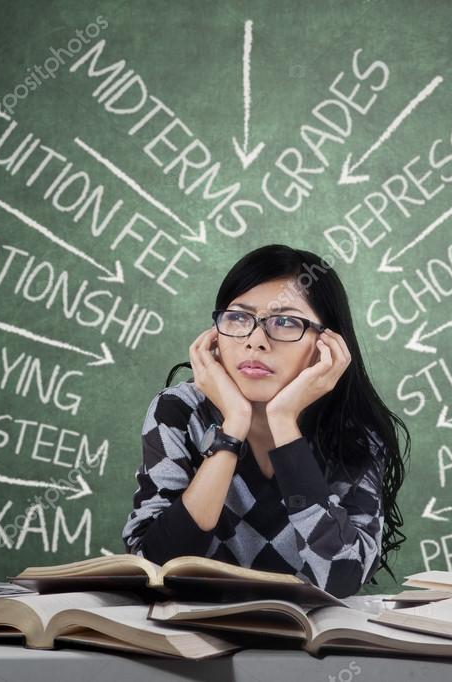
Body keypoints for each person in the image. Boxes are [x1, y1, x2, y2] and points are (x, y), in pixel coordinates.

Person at [120, 244, 410, 598]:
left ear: (327, 345)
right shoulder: (179, 413)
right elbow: (152, 566)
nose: (255, 341)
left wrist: (284, 421)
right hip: (191, 640)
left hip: (308, 647)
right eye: (239, 318)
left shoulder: (354, 434)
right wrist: (233, 428)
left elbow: (342, 577)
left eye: (286, 322)